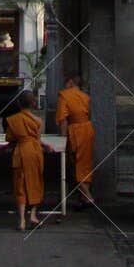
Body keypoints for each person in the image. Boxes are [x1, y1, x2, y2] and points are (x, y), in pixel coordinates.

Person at [4, 88, 44, 231]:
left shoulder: (13, 120)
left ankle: (21, 221)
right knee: (35, 182)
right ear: (33, 104)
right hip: (34, 152)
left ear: (19, 104)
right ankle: (32, 216)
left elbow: (9, 138)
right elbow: (38, 139)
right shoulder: (38, 120)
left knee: (20, 185)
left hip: (20, 152)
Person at [55, 74, 96, 206]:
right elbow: (88, 114)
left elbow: (63, 119)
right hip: (88, 129)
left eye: (66, 83)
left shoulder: (64, 95)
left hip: (75, 131)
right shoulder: (85, 96)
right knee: (85, 163)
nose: (64, 86)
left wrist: (62, 139)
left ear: (70, 82)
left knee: (73, 164)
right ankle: (84, 198)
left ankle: (88, 197)